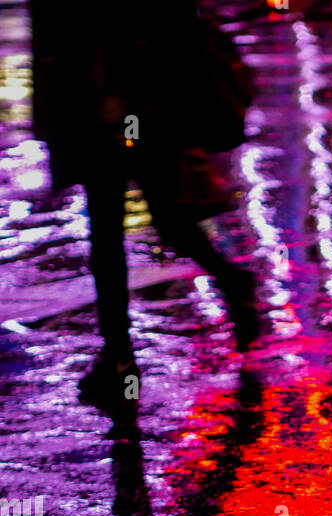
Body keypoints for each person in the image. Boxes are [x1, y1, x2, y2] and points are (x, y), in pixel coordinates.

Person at [29, 0, 259, 407]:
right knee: (122, 228)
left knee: (140, 224)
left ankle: (122, 356)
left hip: (134, 113)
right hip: (103, 114)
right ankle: (121, 353)